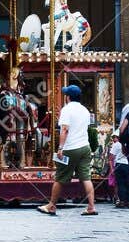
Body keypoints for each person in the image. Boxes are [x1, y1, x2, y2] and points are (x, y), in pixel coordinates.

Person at [39, 84, 96, 216]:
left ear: (68, 97)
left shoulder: (66, 110)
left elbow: (64, 129)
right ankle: (91, 206)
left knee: (60, 177)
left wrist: (60, 148)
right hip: (84, 147)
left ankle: (52, 205)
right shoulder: (85, 110)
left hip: (71, 148)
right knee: (86, 178)